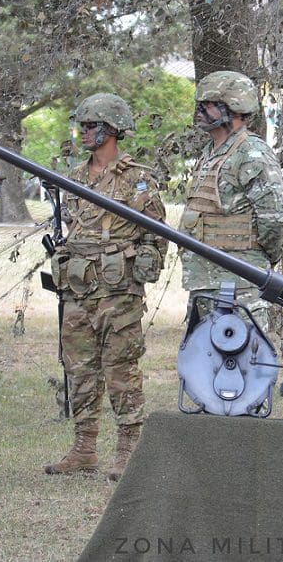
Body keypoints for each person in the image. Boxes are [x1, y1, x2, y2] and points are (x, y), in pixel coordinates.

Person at [46, 93, 168, 480]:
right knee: (80, 369)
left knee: (120, 369)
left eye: (90, 126)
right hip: (79, 289)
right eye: (81, 126)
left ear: (112, 129)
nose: (83, 132)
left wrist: (144, 266)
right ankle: (84, 448)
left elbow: (157, 232)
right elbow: (72, 226)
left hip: (118, 291)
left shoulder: (137, 178)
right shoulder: (76, 177)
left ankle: (129, 450)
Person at [179, 70, 283, 338]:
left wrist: (253, 262)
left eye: (208, 105)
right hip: (205, 285)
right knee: (202, 371)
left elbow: (274, 223)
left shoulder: (252, 154)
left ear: (234, 107)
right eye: (199, 104)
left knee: (243, 371)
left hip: (239, 290)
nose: (200, 111)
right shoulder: (210, 154)